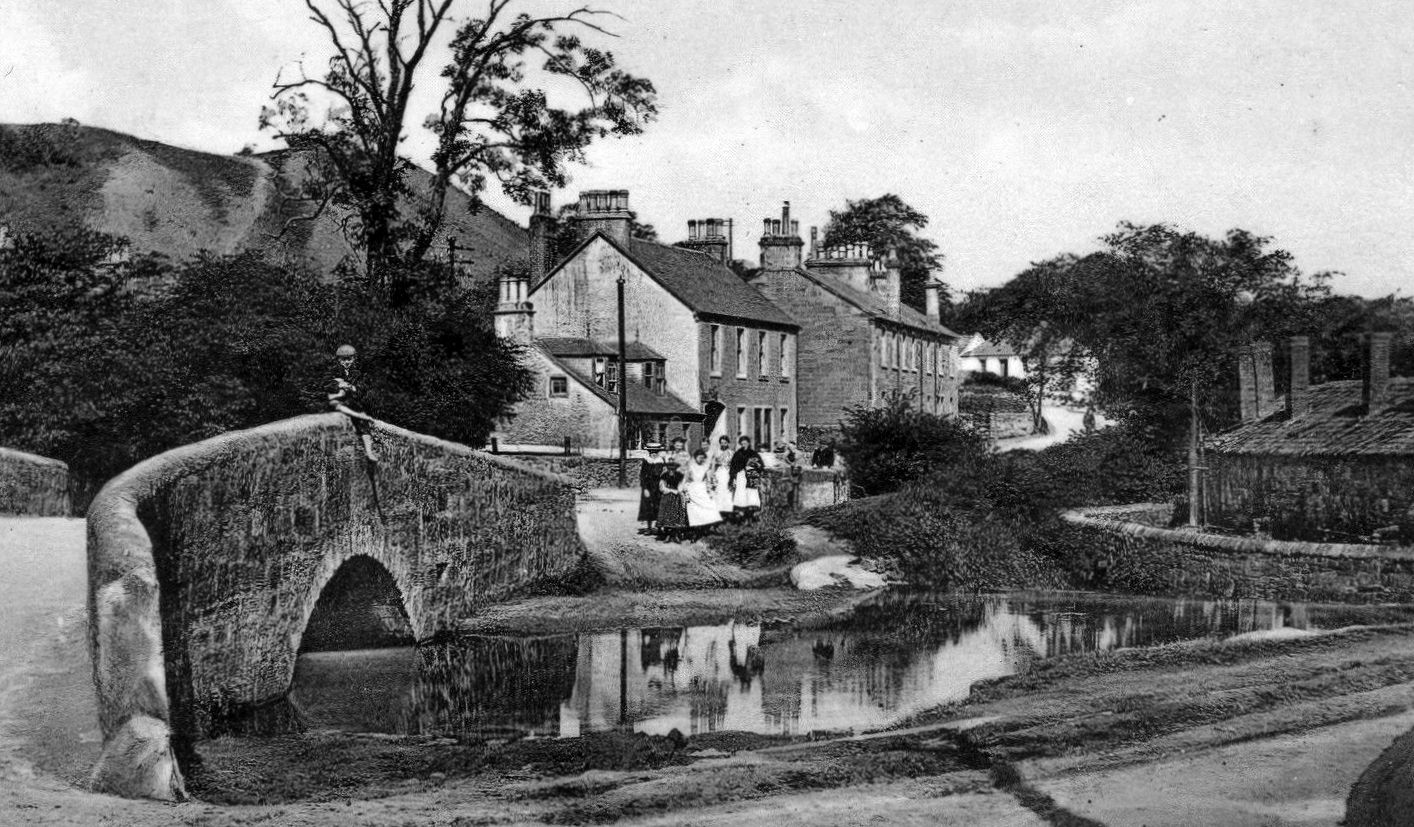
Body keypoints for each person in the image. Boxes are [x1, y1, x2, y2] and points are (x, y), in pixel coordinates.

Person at [328, 344, 378, 462]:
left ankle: (369, 452)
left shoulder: (357, 373)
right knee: (334, 402)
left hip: (352, 402)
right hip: (339, 400)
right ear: (338, 360)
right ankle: (358, 415)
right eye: (343, 359)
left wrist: (352, 387)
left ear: (354, 359)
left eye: (349, 359)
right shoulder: (335, 371)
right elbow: (327, 382)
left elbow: (362, 388)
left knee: (363, 425)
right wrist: (338, 384)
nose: (346, 362)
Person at [683, 448, 722, 539]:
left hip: (702, 488)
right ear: (695, 457)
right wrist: (686, 490)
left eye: (703, 458)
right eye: (699, 457)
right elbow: (685, 479)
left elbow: (708, 478)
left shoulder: (704, 467)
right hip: (692, 489)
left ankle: (704, 528)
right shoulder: (690, 467)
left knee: (711, 507)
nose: (701, 459)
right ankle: (695, 532)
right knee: (694, 511)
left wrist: (709, 489)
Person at [729, 436, 762, 522]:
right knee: (741, 494)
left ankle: (752, 514)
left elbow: (760, 464)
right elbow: (733, 466)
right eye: (742, 443)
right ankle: (742, 515)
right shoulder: (738, 453)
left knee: (751, 494)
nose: (744, 445)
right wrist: (732, 477)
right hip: (741, 476)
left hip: (750, 476)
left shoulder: (753, 453)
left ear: (749, 443)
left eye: (745, 443)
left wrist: (756, 467)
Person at [657, 458, 688, 542]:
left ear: (675, 469)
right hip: (666, 496)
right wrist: (670, 490)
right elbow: (662, 487)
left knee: (676, 515)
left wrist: (678, 491)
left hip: (676, 496)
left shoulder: (679, 475)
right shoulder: (664, 475)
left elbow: (681, 486)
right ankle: (667, 535)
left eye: (673, 469)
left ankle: (675, 535)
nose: (671, 470)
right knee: (666, 515)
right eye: (670, 468)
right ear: (667, 468)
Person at [637, 442, 665, 535]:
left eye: (656, 451)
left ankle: (659, 528)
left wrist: (663, 485)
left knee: (659, 506)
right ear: (648, 451)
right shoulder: (646, 460)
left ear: (658, 452)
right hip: (648, 486)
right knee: (648, 506)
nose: (654, 453)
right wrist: (644, 488)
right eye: (651, 451)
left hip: (658, 486)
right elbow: (642, 475)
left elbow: (664, 474)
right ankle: (649, 528)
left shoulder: (661, 460)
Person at [708, 435, 735, 520]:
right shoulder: (716, 452)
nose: (723, 444)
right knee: (719, 490)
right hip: (719, 473)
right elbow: (713, 465)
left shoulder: (731, 453)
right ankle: (719, 512)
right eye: (722, 443)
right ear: (720, 443)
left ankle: (727, 512)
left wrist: (734, 477)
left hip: (728, 473)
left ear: (728, 443)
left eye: (725, 443)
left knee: (727, 491)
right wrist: (712, 475)